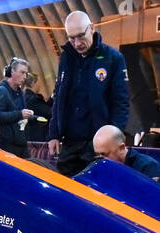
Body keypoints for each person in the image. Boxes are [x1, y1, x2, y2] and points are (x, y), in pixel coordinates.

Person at [48, 10, 130, 176]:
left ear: (92, 28)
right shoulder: (66, 58)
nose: (77, 43)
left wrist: (113, 140)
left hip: (98, 146)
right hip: (70, 143)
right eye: (71, 38)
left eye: (80, 36)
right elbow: (59, 97)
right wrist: (53, 134)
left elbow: (121, 103)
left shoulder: (113, 58)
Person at [0, 57, 33, 157]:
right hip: (8, 147)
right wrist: (20, 114)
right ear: (12, 72)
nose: (25, 76)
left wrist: (32, 117)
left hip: (22, 144)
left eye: (26, 73)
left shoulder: (20, 93)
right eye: (22, 72)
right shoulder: (1, 91)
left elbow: (19, 116)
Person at [93, 125, 160, 182]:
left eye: (104, 154)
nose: (100, 160)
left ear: (121, 148)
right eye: (97, 155)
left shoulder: (149, 167)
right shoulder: (101, 168)